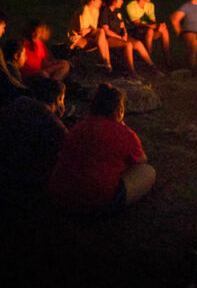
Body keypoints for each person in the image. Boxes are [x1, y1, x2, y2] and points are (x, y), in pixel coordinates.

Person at [49, 83, 156, 214]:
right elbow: (141, 160)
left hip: (59, 196)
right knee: (147, 171)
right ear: (119, 110)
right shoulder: (123, 133)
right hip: (95, 201)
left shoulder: (78, 128)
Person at [0, 74, 69, 208]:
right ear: (58, 99)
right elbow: (67, 149)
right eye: (62, 100)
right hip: (21, 181)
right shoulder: (55, 125)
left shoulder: (20, 102)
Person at [101, 0, 152, 75]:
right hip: (110, 38)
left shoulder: (117, 11)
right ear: (114, 1)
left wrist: (125, 34)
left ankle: (151, 66)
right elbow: (106, 31)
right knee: (128, 45)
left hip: (120, 36)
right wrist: (120, 38)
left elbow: (123, 25)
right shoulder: (105, 12)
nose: (122, 1)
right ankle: (132, 72)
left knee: (138, 44)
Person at [126, 0, 171, 64]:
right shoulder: (131, 6)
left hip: (148, 30)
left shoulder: (150, 5)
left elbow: (152, 21)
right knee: (149, 31)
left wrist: (159, 25)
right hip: (134, 32)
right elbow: (137, 24)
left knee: (164, 30)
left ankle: (167, 60)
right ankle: (148, 60)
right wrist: (151, 26)